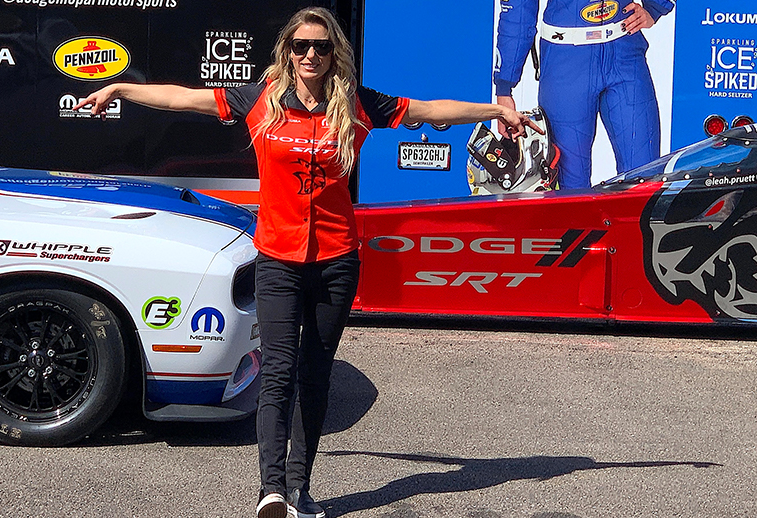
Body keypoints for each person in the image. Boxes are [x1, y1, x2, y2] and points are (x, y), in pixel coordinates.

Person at [75, 7, 533, 518]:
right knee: (277, 371)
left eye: (321, 47)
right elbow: (184, 98)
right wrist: (121, 90)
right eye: (301, 47)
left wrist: (496, 112)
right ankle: (271, 491)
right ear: (287, 52)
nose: (311, 55)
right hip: (277, 258)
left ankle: (300, 488)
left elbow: (430, 110)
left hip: (337, 261)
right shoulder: (263, 97)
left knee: (315, 377)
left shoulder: (357, 104)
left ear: (335, 53)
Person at [495, 0, 674, 189]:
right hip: (566, 61)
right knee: (571, 189)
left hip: (625, 54)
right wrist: (505, 88)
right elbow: (519, 8)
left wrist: (654, 9)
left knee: (643, 178)